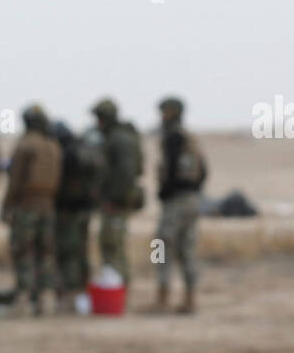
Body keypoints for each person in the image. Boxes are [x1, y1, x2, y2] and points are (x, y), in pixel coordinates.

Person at [0, 104, 62, 316]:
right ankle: (46, 300)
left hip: (27, 205)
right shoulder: (53, 146)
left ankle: (24, 299)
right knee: (46, 252)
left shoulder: (25, 146)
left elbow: (15, 181)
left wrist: (7, 206)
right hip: (48, 206)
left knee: (23, 250)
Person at [153, 96, 207, 314]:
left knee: (160, 246)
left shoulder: (173, 138)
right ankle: (190, 299)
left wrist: (165, 192)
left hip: (175, 201)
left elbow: (171, 173)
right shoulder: (190, 138)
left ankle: (162, 298)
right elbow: (204, 171)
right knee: (187, 249)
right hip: (192, 200)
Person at [52, 118, 105, 311]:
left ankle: (71, 294)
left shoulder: (68, 155)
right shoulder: (85, 151)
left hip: (69, 210)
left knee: (69, 252)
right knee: (80, 252)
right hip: (84, 209)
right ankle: (82, 292)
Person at [93, 98, 144, 289]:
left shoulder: (119, 139)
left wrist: (113, 199)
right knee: (111, 243)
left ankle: (119, 288)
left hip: (117, 202)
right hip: (116, 200)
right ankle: (117, 285)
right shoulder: (116, 136)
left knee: (114, 244)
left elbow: (126, 173)